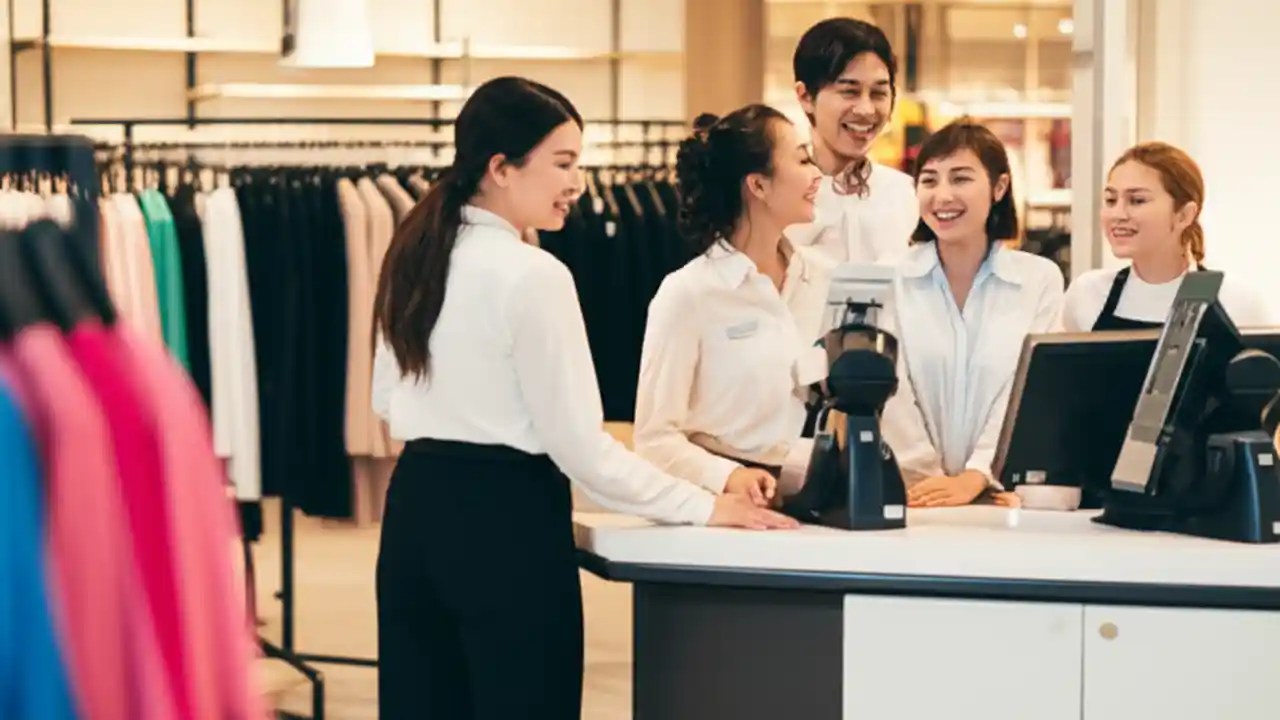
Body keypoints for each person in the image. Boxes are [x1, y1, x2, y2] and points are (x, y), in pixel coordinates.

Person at [369, 77, 797, 720]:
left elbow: (385, 397)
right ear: (501, 169)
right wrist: (706, 507)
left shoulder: (414, 253)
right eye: (563, 163)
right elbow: (582, 448)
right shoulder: (533, 274)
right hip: (505, 528)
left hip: (414, 515)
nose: (578, 182)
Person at [634, 106, 830, 501]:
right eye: (803, 159)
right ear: (758, 185)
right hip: (724, 510)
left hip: (812, 501)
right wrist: (726, 476)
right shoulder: (689, 294)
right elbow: (653, 439)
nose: (817, 174)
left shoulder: (823, 279)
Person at [879, 118, 1064, 507]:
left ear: (999, 187)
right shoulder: (888, 278)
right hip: (910, 497)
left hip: (998, 499)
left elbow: (1027, 389)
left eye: (960, 178)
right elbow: (890, 393)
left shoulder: (1039, 280)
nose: (942, 195)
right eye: (929, 180)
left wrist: (978, 476)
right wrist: (929, 479)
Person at [1062, 142, 1273, 331]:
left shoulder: (1236, 301)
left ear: (1184, 215)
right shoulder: (1087, 295)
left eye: (1137, 200)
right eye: (1110, 200)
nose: (1117, 214)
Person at [784, 17, 918, 265]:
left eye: (878, 93)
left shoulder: (907, 194)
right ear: (805, 97)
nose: (866, 110)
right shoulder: (777, 198)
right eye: (849, 91)